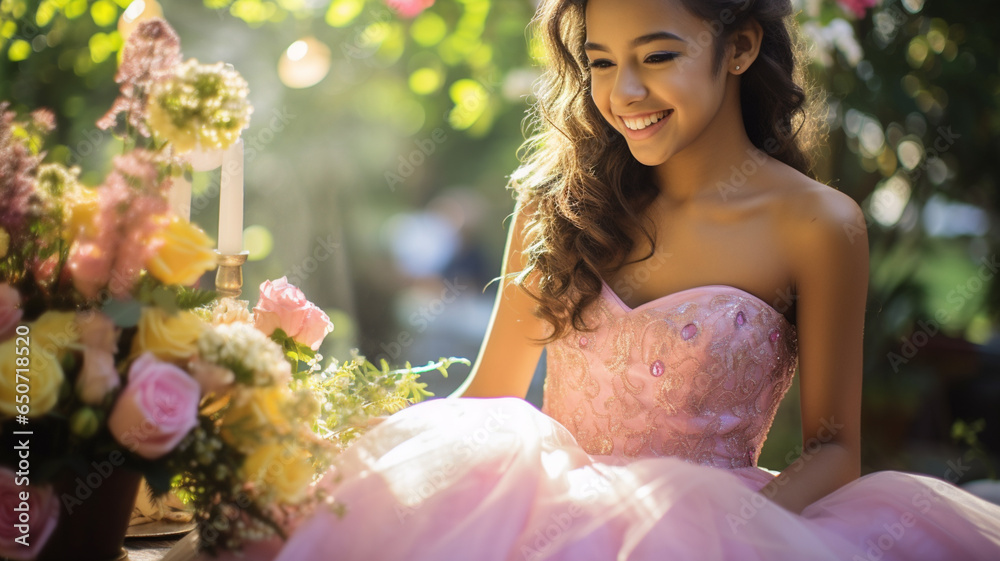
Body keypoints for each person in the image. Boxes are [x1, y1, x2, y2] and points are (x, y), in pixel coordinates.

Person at [167, 0, 1000, 560]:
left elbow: (835, 449)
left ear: (740, 47)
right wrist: (350, 464)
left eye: (658, 56)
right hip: (539, 513)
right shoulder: (558, 204)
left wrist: (718, 537)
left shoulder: (818, 225)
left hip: (724, 527)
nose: (623, 92)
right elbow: (488, 399)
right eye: (601, 62)